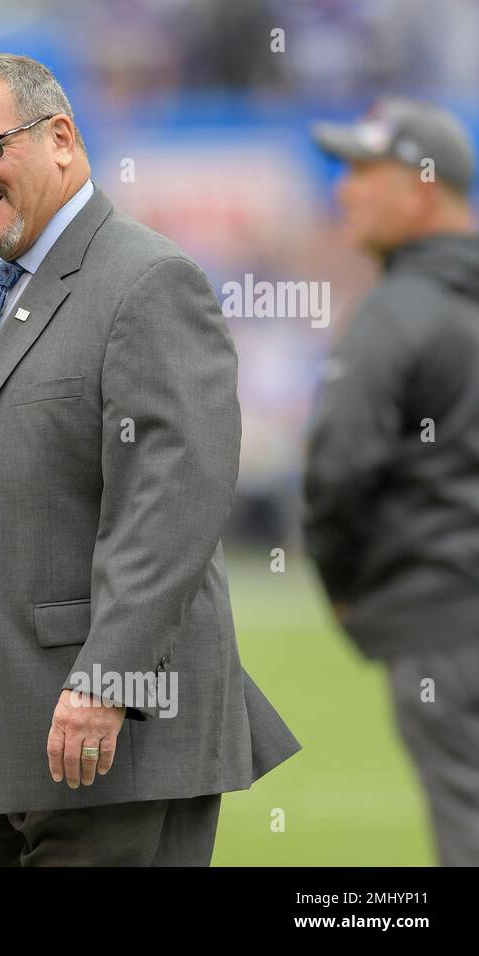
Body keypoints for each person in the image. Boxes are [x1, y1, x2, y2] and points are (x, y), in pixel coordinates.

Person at [0, 52, 299, 866]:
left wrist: (111, 678)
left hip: (101, 741)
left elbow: (174, 504)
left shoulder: (150, 280)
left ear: (60, 137)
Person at [304, 98, 479, 865]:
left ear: (421, 189)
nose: (343, 189)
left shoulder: (395, 311)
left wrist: (344, 588)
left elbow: (337, 472)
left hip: (443, 625)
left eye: (363, 171)